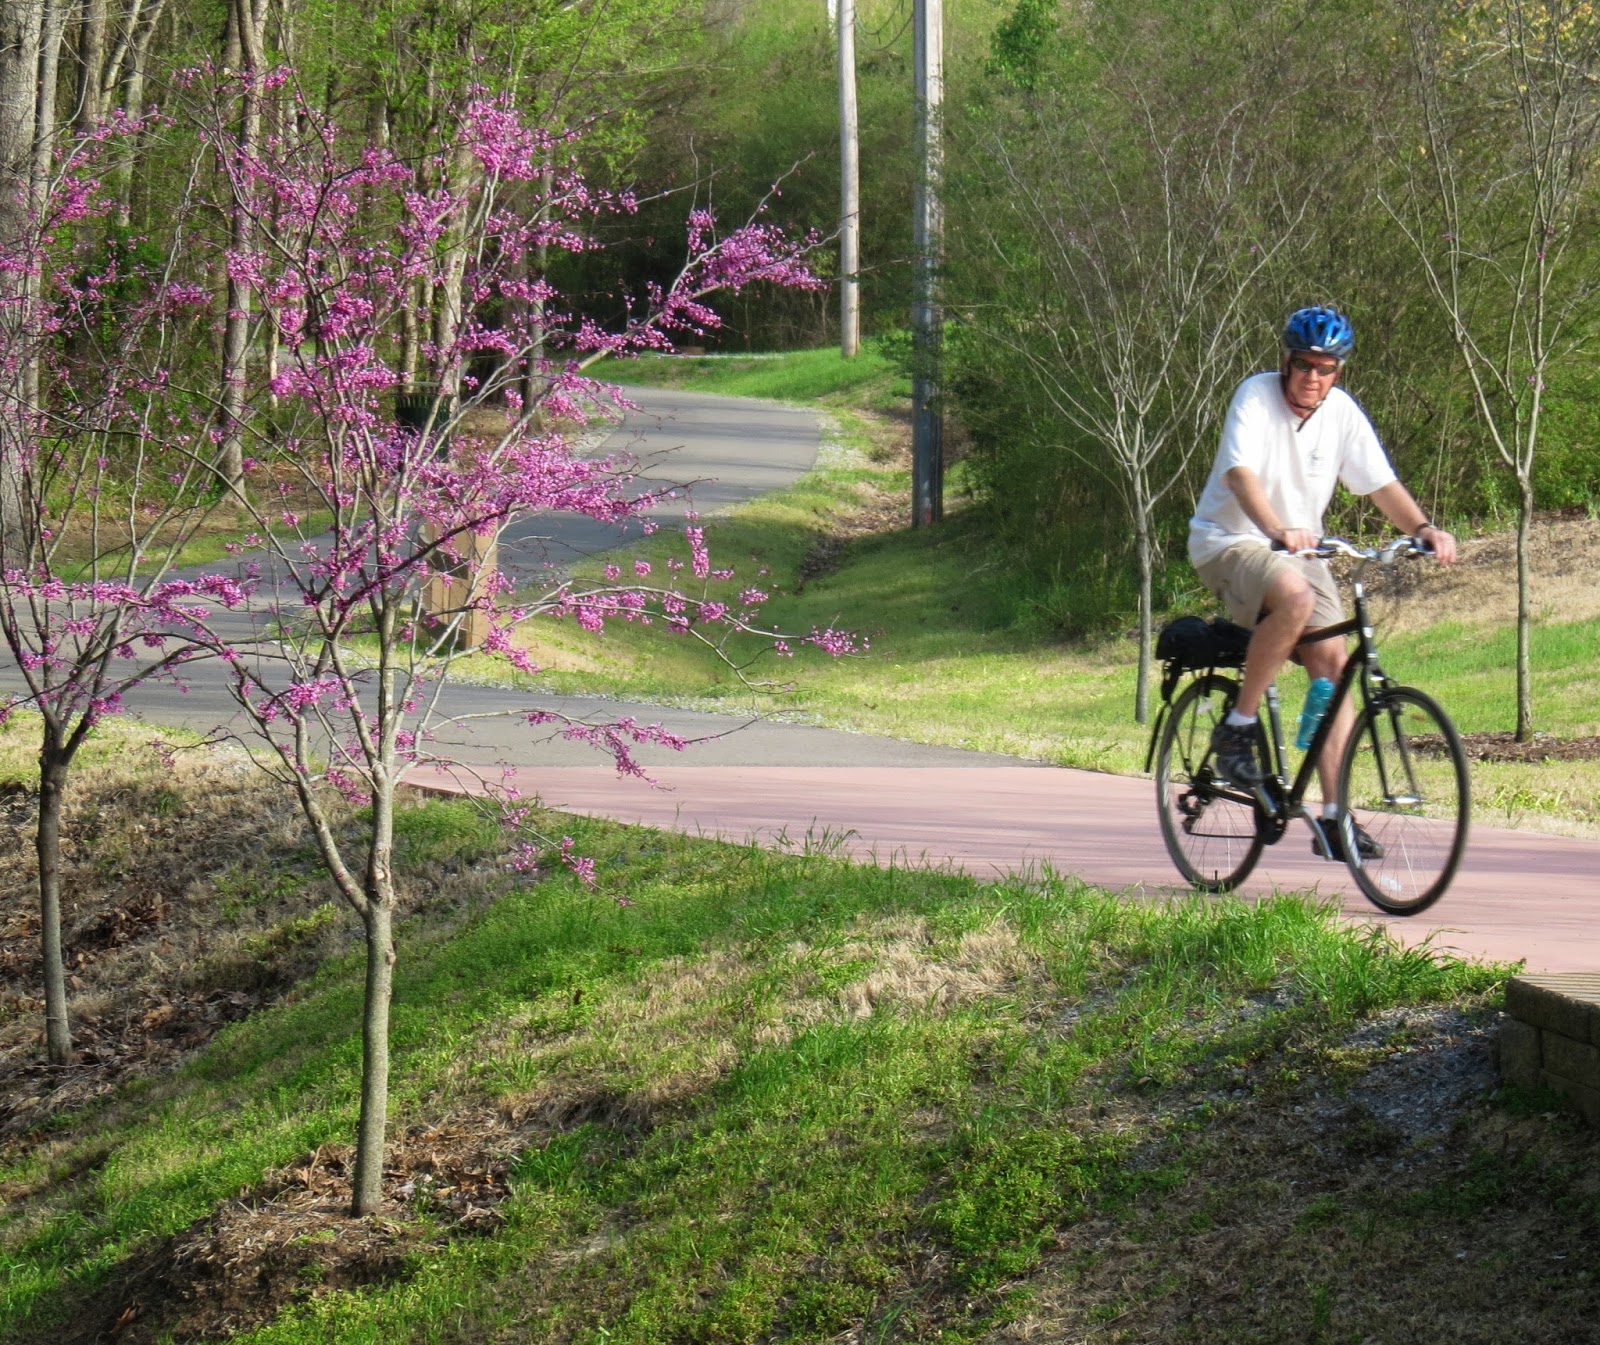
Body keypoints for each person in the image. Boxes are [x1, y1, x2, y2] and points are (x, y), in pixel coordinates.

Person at [1187, 306, 1458, 861]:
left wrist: (1423, 528)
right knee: (1297, 596)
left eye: (1326, 367)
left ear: (1339, 371)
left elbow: (1379, 484)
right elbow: (1239, 474)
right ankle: (1237, 728)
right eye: (1304, 364)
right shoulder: (1255, 395)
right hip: (1232, 541)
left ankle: (1335, 817)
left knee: (1333, 666)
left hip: (1298, 549)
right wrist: (1275, 528)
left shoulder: (1341, 413)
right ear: (1285, 362)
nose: (1314, 376)